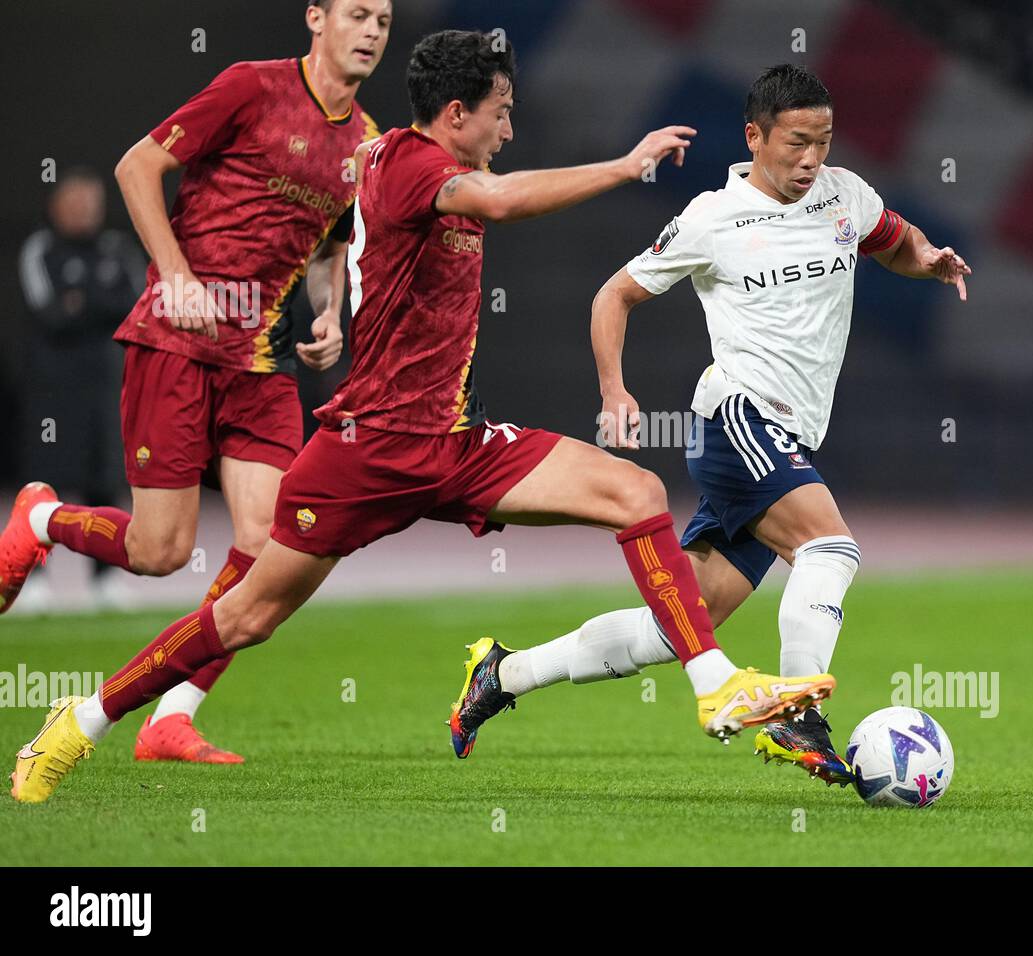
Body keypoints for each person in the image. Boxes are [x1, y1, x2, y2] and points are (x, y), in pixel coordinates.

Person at [10, 30, 835, 806]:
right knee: (243, 617)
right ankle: (80, 722)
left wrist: (329, 306)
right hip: (367, 453)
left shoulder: (383, 155)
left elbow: (350, 235)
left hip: (455, 442)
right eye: (502, 113)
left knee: (635, 492)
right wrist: (624, 167)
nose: (509, 130)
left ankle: (714, 685)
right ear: (455, 116)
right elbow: (502, 200)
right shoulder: (409, 160)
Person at [457, 64, 970, 788]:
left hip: (789, 435)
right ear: (755, 136)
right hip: (738, 417)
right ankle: (801, 715)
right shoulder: (711, 218)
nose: (811, 159)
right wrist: (615, 391)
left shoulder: (844, 195)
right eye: (797, 142)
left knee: (679, 623)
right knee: (830, 548)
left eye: (823, 141)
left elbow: (890, 239)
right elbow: (614, 295)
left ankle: (503, 673)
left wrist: (927, 260)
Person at [0, 0, 389, 764]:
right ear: (316, 18)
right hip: (174, 342)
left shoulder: (367, 144)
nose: (372, 30)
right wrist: (175, 277)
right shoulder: (250, 87)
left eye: (383, 18)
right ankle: (40, 521)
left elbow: (328, 247)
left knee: (274, 548)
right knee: (159, 551)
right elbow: (136, 165)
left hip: (262, 361)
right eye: (357, 14)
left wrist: (329, 316)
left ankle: (169, 717)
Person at [16, 168, 144, 611]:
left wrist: (83, 300)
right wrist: (96, 303)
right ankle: (32, 578)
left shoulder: (116, 249)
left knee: (105, 482)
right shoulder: (40, 249)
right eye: (75, 202)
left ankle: (105, 577)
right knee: (44, 483)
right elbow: (51, 313)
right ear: (57, 206)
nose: (84, 210)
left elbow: (134, 306)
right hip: (51, 391)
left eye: (91, 202)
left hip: (106, 385)